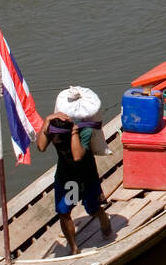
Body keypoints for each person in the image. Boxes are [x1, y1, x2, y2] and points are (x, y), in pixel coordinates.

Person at [36, 108, 112, 255]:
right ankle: (74, 248)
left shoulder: (85, 132)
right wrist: (47, 120)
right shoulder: (53, 131)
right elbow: (41, 147)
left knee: (92, 209)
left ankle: (104, 221)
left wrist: (74, 132)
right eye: (53, 137)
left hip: (86, 178)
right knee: (64, 212)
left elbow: (77, 156)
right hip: (66, 179)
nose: (54, 141)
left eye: (57, 138)